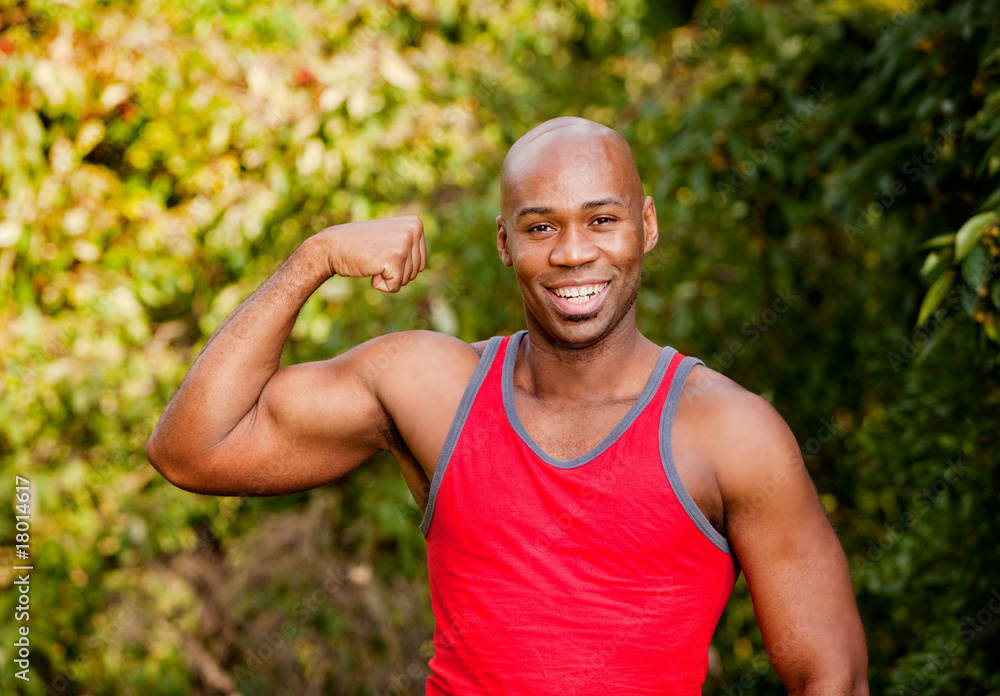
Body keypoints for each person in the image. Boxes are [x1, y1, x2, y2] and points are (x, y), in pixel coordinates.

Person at [147, 117, 869, 695]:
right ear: (505, 242)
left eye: (601, 220)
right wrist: (313, 258)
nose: (572, 253)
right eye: (540, 226)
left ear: (645, 226)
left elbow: (831, 676)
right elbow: (190, 450)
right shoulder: (433, 390)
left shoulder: (730, 433)